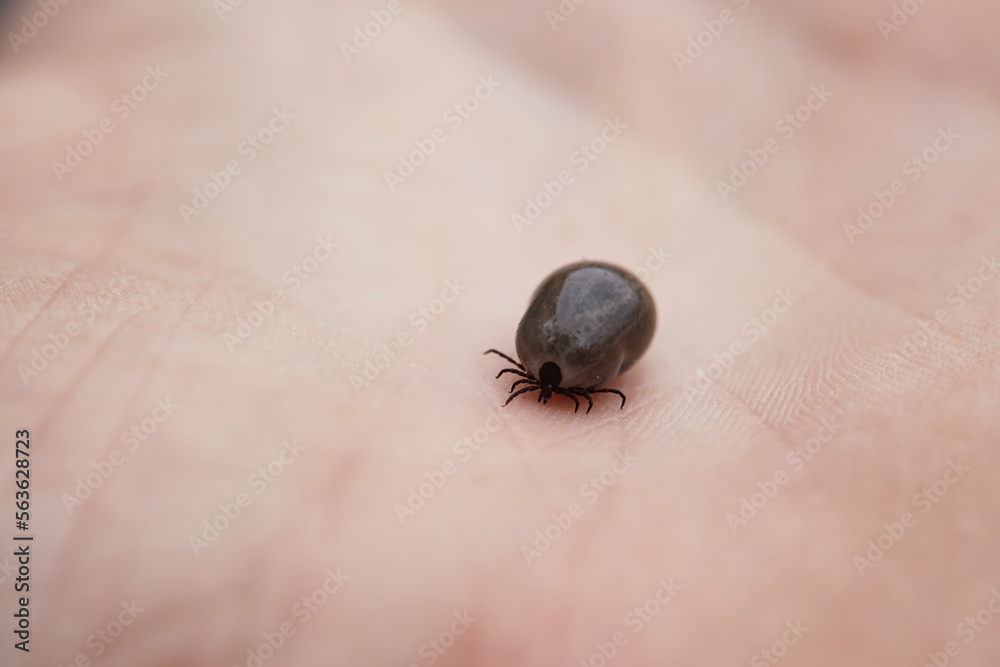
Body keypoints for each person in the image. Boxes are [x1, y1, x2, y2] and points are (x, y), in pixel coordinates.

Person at [2, 0, 998, 665]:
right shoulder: (556, 360)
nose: (546, 386)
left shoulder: (563, 358)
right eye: (547, 375)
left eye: (549, 376)